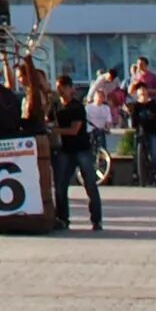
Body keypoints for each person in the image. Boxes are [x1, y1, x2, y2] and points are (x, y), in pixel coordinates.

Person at [48, 74, 104, 230]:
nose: (59, 90)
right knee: (60, 185)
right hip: (64, 150)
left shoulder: (77, 107)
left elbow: (74, 130)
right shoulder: (55, 106)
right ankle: (62, 218)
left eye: (62, 87)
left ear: (69, 88)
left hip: (81, 150)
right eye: (57, 86)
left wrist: (54, 130)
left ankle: (96, 219)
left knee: (90, 185)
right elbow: (48, 120)